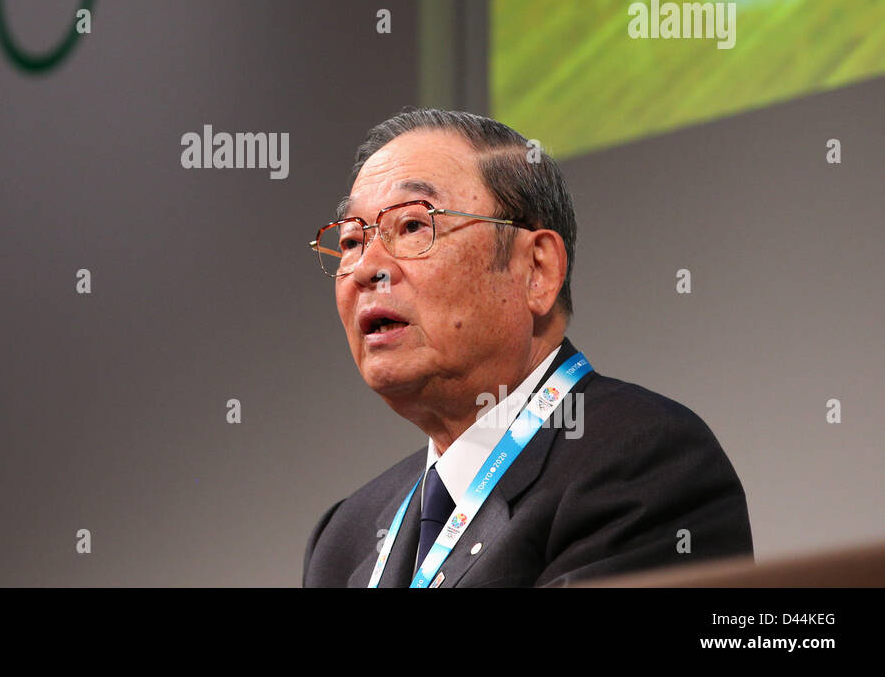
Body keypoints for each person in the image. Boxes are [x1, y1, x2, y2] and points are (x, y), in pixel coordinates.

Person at [302, 109, 753, 587]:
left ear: (537, 270)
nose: (367, 267)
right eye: (351, 240)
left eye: (413, 226)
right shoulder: (345, 536)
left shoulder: (644, 464)